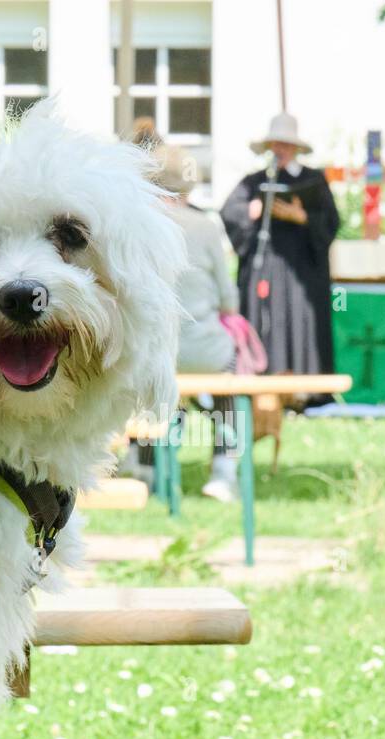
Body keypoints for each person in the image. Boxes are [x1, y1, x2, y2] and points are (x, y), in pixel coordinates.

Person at [221, 113, 339, 377]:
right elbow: (229, 211)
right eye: (276, 144)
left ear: (295, 148)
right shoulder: (254, 181)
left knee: (300, 319)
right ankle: (262, 373)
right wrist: (254, 209)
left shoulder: (314, 180)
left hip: (301, 270)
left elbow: (331, 221)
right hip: (267, 265)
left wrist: (302, 217)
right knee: (266, 318)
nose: (280, 150)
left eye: (286, 145)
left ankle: (301, 386)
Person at [156, 145, 242, 503]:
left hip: (158, 355)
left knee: (155, 393)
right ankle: (223, 470)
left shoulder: (142, 226)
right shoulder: (207, 228)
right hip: (205, 350)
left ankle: (143, 464)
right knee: (228, 385)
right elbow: (229, 301)